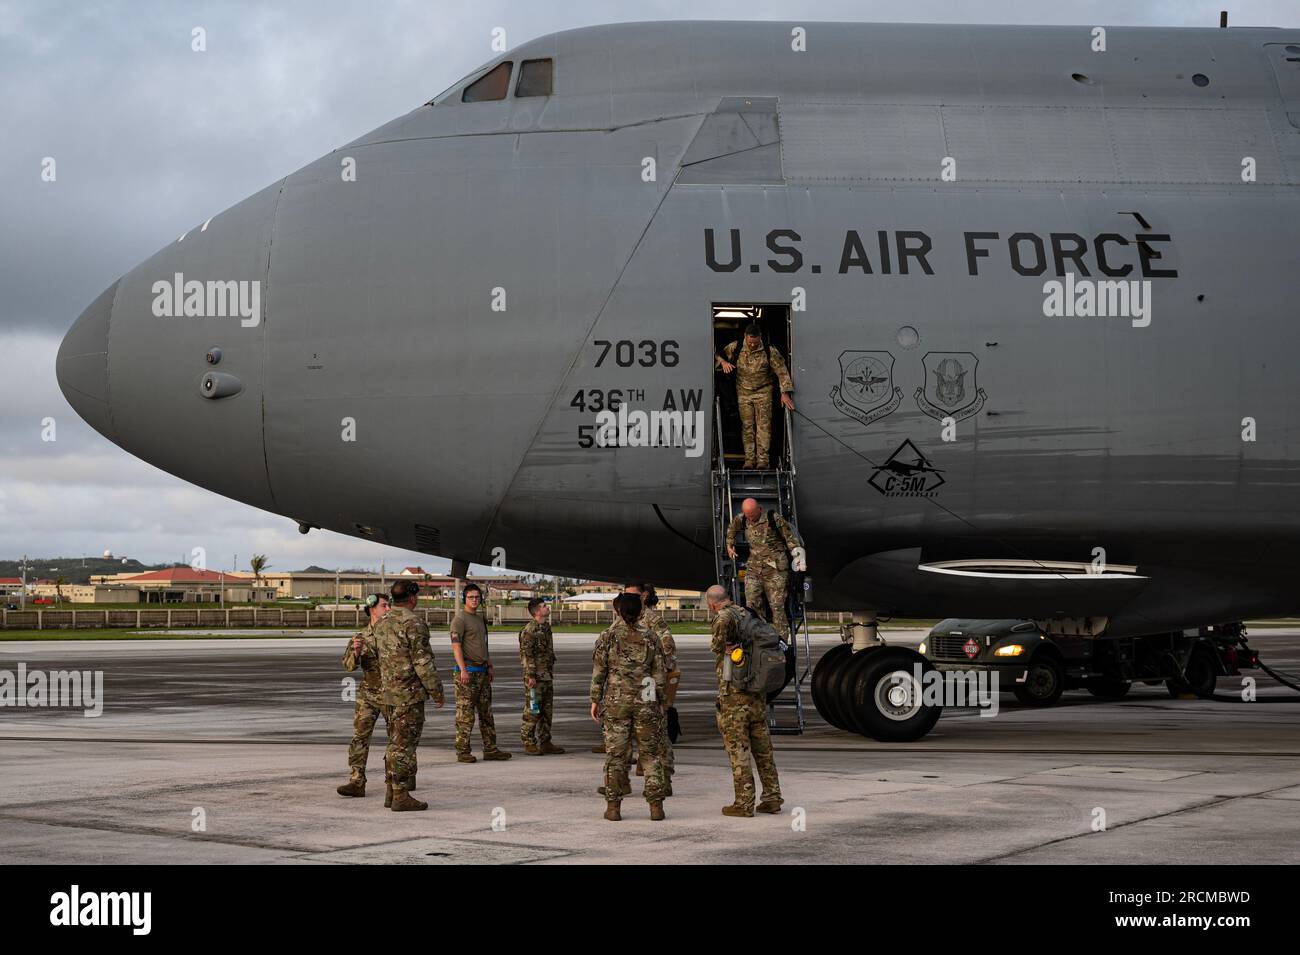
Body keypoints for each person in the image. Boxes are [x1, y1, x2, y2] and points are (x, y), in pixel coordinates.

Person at [705, 584, 783, 817]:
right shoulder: (747, 613)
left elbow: (717, 648)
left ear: (711, 603)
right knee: (763, 749)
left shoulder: (723, 619)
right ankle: (772, 797)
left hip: (735, 694)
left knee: (738, 749)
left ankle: (744, 803)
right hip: (756, 692)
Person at [590, 592, 667, 821]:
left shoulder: (608, 636)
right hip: (646, 698)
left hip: (617, 701)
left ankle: (613, 807)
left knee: (616, 756)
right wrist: (660, 700)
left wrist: (595, 699)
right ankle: (656, 807)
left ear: (619, 612)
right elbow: (659, 672)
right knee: (651, 755)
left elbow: (599, 671)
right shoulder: (652, 637)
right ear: (641, 611)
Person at [373, 580, 445, 812]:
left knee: (393, 743)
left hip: (388, 694)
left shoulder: (382, 622)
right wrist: (436, 691)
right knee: (403, 747)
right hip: (409, 694)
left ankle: (391, 791)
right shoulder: (414, 623)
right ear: (412, 598)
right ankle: (401, 795)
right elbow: (422, 662)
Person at [716, 322, 795, 470]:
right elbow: (716, 354)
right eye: (750, 342)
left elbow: (782, 371)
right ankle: (749, 460)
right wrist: (724, 362)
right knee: (747, 427)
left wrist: (785, 393)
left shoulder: (769, 350)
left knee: (763, 428)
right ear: (745, 336)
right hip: (743, 393)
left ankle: (762, 461)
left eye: (755, 342)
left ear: (760, 338)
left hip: (763, 392)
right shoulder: (736, 347)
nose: (752, 345)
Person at [726, 498, 805, 641]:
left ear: (759, 509)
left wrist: (798, 558)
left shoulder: (773, 518)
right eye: (747, 515)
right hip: (754, 568)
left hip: (776, 570)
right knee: (752, 605)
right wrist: (729, 544)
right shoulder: (742, 518)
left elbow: (790, 539)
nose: (750, 518)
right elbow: (732, 529)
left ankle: (782, 642)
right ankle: (759, 639)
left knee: (777, 607)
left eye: (752, 515)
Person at [337, 593, 390, 797]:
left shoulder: (395, 634)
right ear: (372, 609)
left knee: (397, 739)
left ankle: (395, 780)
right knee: (360, 737)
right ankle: (357, 780)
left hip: (391, 694)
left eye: (389, 605)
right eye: (384, 606)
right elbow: (348, 665)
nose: (388, 609)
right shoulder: (360, 637)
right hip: (368, 694)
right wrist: (357, 653)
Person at [450, 583, 510, 762]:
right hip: (467, 672)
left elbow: (484, 645)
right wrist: (462, 669)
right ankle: (463, 751)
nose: (474, 600)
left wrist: (489, 665)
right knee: (465, 715)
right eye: (471, 597)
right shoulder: (459, 620)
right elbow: (456, 646)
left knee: (486, 713)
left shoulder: (480, 618)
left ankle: (491, 749)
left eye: (477, 597)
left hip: (482, 672)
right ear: (464, 599)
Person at [639, 584, 677, 795]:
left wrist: (664, 667)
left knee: (657, 733)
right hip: (631, 690)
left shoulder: (651, 619)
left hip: (650, 686)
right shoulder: (624, 620)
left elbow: (667, 643)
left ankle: (663, 781)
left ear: (644, 596)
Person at [518, 596, 564, 755]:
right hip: (535, 678)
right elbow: (527, 655)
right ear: (537, 611)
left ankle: (545, 741)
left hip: (546, 676)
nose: (547, 607)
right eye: (544, 606)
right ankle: (529, 741)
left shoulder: (546, 628)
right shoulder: (529, 631)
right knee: (533, 710)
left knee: (547, 711)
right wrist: (530, 676)